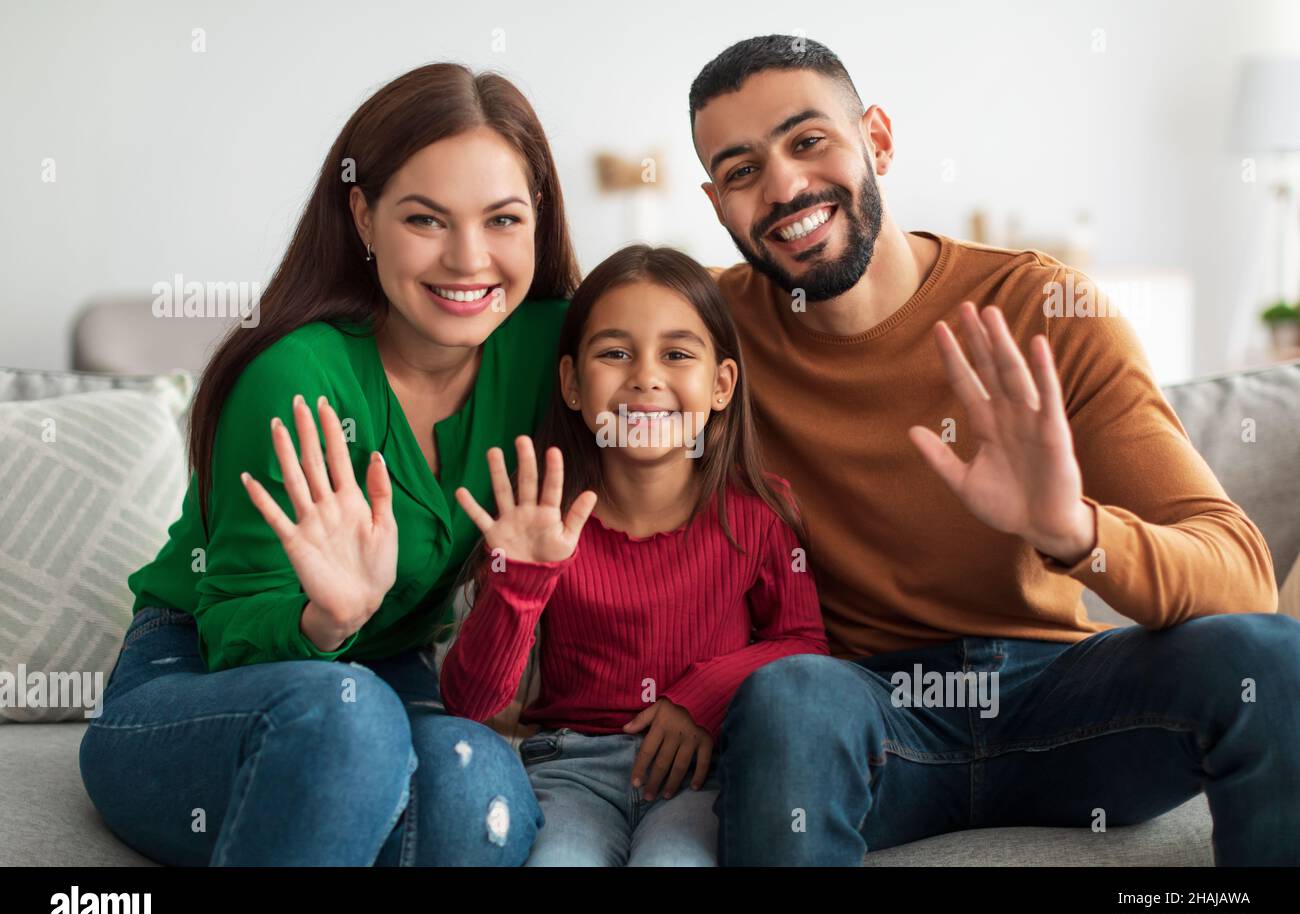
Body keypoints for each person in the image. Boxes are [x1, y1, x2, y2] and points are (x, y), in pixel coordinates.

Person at [688, 34, 1300, 865]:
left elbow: (1240, 576)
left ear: (878, 138)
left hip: (1065, 704)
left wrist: (1072, 532)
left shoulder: (1046, 308)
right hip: (870, 714)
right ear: (716, 201)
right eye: (741, 170)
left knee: (1267, 658)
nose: (785, 187)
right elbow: (565, 347)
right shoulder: (703, 340)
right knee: (790, 696)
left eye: (808, 141)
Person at [78, 62, 581, 866]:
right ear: (363, 217)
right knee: (348, 719)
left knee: (475, 784)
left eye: (503, 220)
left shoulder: (558, 348)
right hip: (204, 675)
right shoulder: (295, 376)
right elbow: (231, 626)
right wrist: (329, 622)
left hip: (391, 673)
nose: (468, 259)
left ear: (537, 222)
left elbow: (695, 346)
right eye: (425, 220)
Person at [438, 244, 829, 865]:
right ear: (571, 382)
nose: (645, 377)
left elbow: (805, 645)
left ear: (721, 384)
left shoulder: (758, 511)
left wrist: (701, 694)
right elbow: (469, 702)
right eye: (615, 353)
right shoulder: (542, 518)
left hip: (701, 773)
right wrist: (521, 583)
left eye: (676, 354)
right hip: (570, 772)